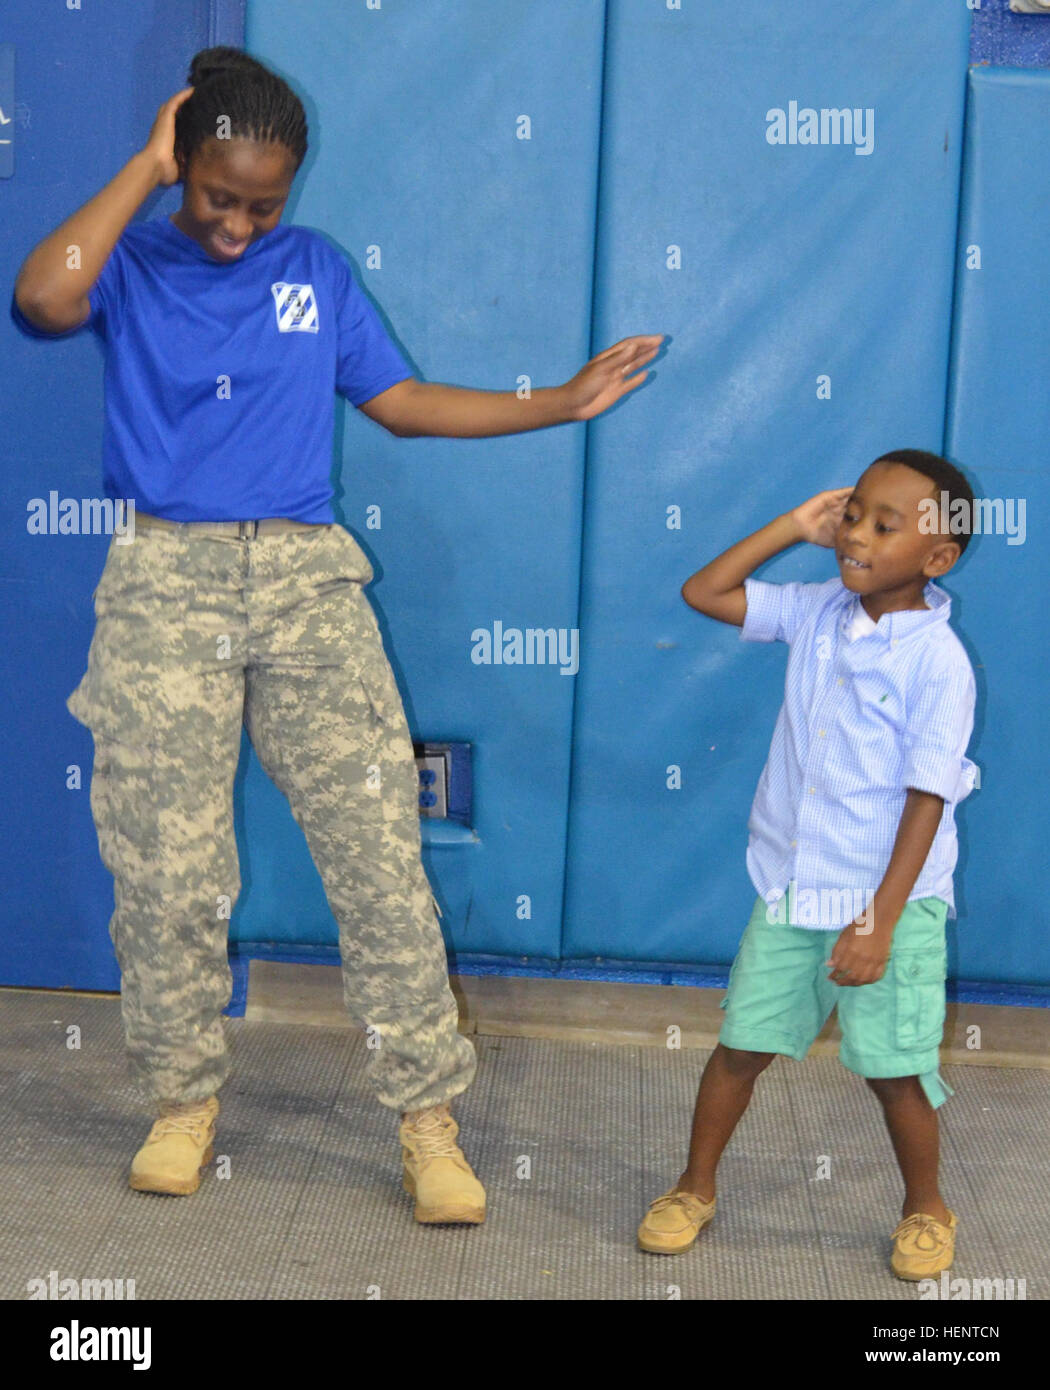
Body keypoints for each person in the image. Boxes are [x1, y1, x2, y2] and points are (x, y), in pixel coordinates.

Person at [11, 46, 663, 1223]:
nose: (239, 223)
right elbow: (40, 299)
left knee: (376, 856)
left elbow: (402, 406)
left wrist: (557, 403)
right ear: (183, 164)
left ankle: (426, 1121)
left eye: (265, 202)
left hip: (308, 580)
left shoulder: (314, 271)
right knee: (168, 870)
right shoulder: (136, 260)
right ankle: (180, 1098)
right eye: (218, 194)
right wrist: (142, 172)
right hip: (168, 579)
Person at [638, 450, 979, 1280]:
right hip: (794, 889)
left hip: (889, 902)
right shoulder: (819, 610)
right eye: (853, 514)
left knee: (896, 1071)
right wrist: (793, 525)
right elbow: (704, 593)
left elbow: (927, 798)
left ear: (938, 558)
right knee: (742, 1046)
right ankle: (694, 1186)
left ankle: (926, 1206)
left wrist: (882, 920)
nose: (855, 535)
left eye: (884, 525)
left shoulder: (939, 662)